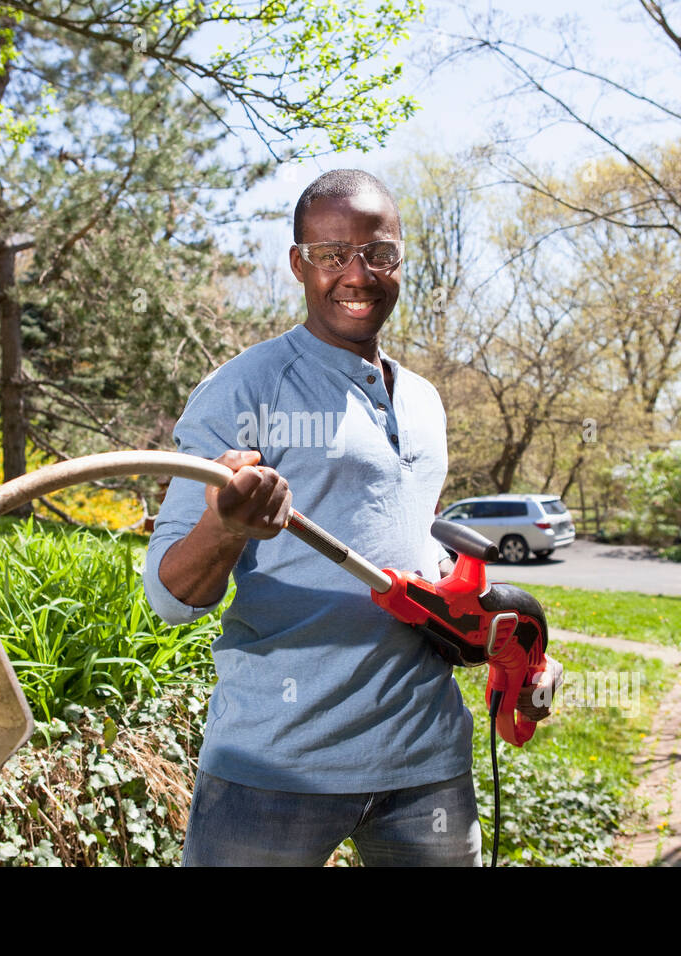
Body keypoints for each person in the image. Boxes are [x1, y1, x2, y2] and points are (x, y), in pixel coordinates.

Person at [142, 168, 563, 866]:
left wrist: (501, 641)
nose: (357, 275)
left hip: (427, 766)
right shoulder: (242, 390)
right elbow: (167, 597)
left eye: (379, 253)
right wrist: (226, 527)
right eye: (332, 254)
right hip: (272, 769)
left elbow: (417, 553)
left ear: (400, 260)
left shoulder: (425, 400)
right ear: (298, 264)